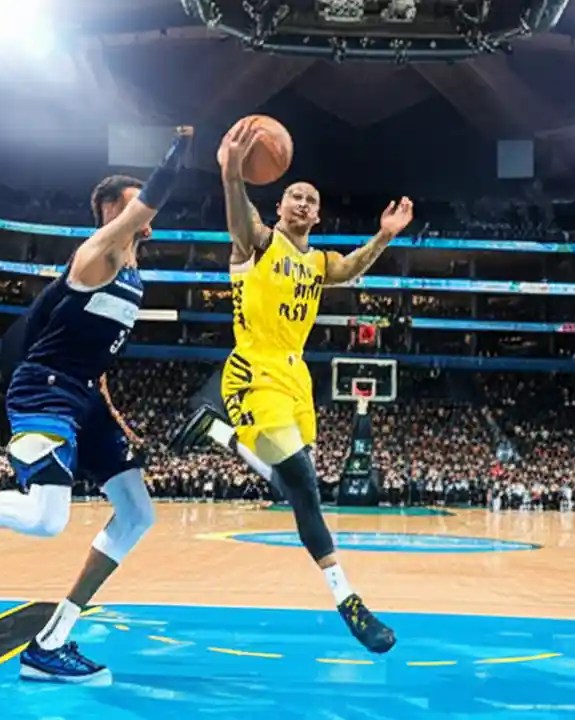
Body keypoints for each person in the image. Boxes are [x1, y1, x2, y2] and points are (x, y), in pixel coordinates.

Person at [0, 127, 193, 684]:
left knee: (138, 513)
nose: (146, 215)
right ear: (110, 211)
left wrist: (112, 412)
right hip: (43, 392)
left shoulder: (133, 273)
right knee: (47, 520)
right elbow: (151, 197)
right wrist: (178, 154)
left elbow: (91, 348)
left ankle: (50, 641)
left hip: (82, 394)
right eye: (133, 205)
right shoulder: (97, 253)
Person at [176, 118, 413, 654]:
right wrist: (233, 177)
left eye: (311, 199)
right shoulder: (258, 243)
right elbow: (240, 224)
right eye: (294, 196)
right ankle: (348, 600)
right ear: (279, 205)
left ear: (318, 213)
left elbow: (350, 268)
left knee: (297, 487)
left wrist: (384, 235)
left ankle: (223, 436)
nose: (303, 204)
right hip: (253, 371)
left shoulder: (317, 261)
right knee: (303, 484)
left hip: (295, 376)